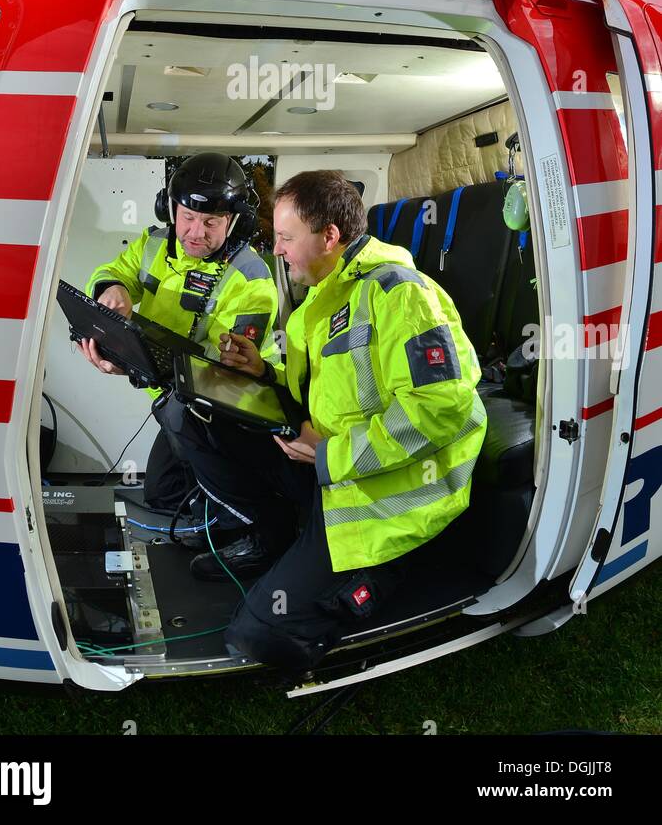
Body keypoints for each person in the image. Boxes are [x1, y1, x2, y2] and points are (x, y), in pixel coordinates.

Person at [170, 169, 488, 670]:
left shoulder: (400, 295)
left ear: (330, 236)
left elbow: (440, 407)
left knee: (259, 635)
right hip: (329, 472)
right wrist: (262, 370)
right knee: (199, 421)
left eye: (284, 237)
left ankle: (386, 575)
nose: (276, 249)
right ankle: (277, 541)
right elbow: (320, 391)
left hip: (385, 499)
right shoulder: (324, 297)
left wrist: (331, 454)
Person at [79, 152, 280, 527]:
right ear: (169, 209)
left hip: (230, 408)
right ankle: (208, 514)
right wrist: (112, 288)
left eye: (211, 222)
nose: (195, 232)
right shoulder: (154, 245)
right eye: (187, 217)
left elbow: (221, 373)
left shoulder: (252, 280)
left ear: (235, 222)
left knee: (215, 494)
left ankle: (242, 527)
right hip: (178, 399)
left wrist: (132, 366)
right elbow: (114, 271)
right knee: (162, 493)